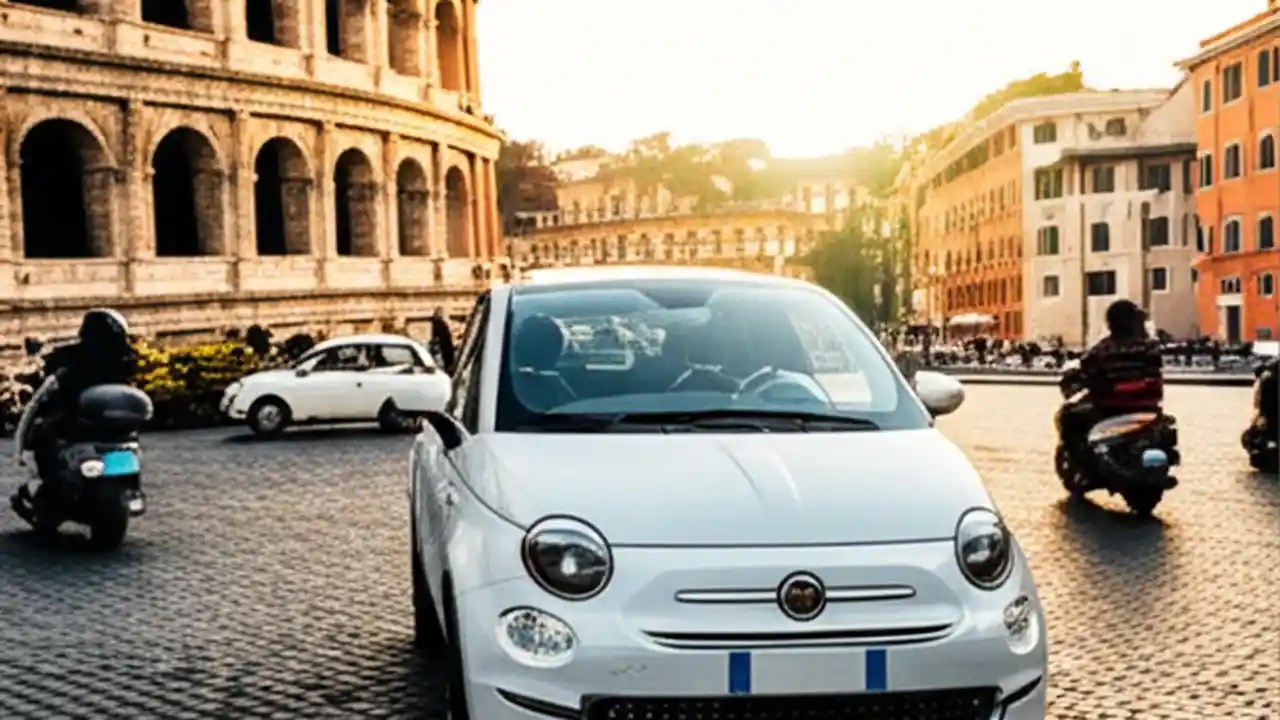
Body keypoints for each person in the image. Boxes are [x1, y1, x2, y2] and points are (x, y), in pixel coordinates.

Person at [11, 309, 136, 519]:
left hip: (78, 423)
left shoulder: (74, 355)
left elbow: (50, 365)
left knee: (44, 435)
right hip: (109, 427)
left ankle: (50, 492)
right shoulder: (124, 358)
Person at [1056, 299, 1164, 451]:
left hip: (1111, 408)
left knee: (1070, 417)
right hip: (1149, 407)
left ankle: (1085, 460)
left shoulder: (1103, 349)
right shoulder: (1150, 347)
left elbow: (1085, 369)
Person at [428, 307, 456, 373]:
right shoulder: (438, 323)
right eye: (441, 313)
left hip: (444, 345)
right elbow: (438, 335)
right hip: (444, 346)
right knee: (446, 362)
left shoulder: (438, 322)